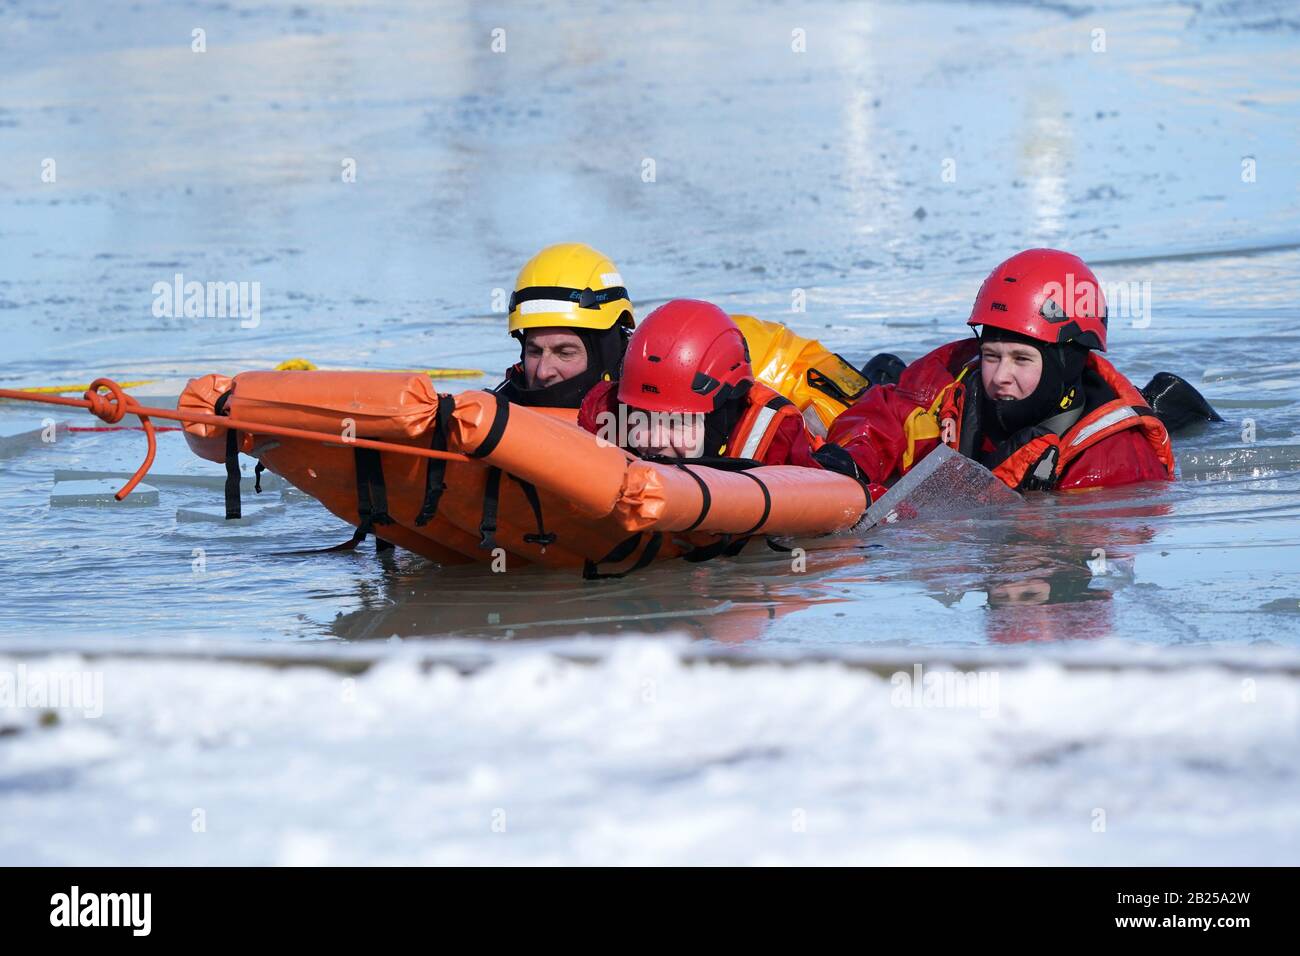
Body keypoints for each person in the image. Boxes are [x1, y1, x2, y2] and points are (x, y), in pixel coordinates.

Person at [827, 248, 1175, 491]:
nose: (999, 376)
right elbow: (889, 412)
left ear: (1068, 363)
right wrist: (852, 462)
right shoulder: (953, 375)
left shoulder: (1115, 464)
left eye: (1021, 359)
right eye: (992, 355)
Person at [579, 299, 870, 478]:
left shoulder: (774, 447)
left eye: (676, 422)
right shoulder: (605, 415)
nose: (653, 440)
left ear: (723, 417)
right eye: (642, 416)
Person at [494, 242, 634, 408]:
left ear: (606, 353)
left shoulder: (651, 418)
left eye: (565, 353)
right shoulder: (501, 409)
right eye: (535, 352)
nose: (543, 372)